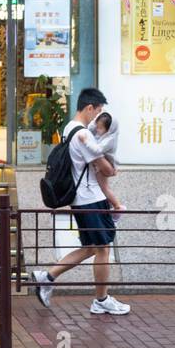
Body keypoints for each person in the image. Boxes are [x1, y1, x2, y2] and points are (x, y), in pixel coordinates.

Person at [31, 88, 131, 316]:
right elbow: (106, 168)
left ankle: (47, 278)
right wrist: (110, 167)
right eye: (98, 112)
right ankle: (101, 300)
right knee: (103, 249)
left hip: (82, 199)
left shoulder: (69, 128)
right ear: (90, 108)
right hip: (90, 199)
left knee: (91, 248)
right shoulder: (81, 136)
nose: (98, 117)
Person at [90, 111, 124, 215]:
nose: (97, 129)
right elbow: (90, 127)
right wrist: (96, 118)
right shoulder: (103, 134)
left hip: (105, 166)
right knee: (102, 187)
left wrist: (85, 141)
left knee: (104, 188)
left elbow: (97, 150)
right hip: (103, 165)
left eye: (100, 128)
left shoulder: (110, 139)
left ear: (108, 129)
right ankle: (110, 206)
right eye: (97, 126)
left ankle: (118, 207)